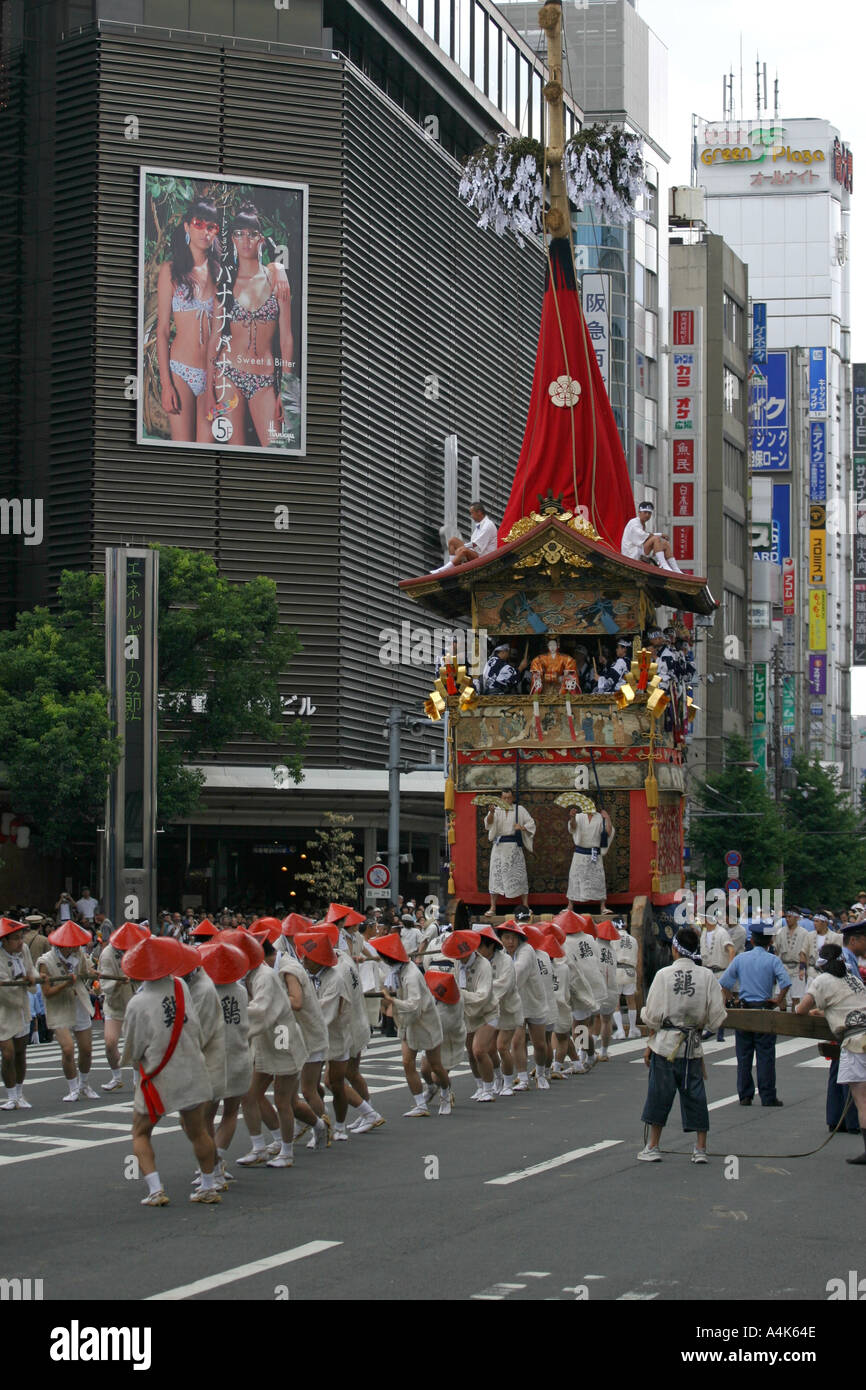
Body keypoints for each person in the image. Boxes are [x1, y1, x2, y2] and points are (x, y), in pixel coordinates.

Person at [120, 934, 220, 1206]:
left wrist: (129, 1062)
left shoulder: (138, 1003)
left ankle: (155, 1190)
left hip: (158, 1074)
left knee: (140, 1132)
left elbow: (133, 1045)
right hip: (190, 1066)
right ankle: (209, 1185)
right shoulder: (180, 986)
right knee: (198, 1130)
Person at [206, 202, 293, 450]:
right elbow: (214, 338)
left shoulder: (275, 276)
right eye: (239, 233)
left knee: (275, 449)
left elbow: (286, 338)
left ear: (261, 240)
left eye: (252, 234)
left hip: (264, 381)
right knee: (234, 450)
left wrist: (284, 392)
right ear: (232, 239)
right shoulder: (226, 283)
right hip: (228, 373)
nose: (245, 240)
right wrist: (210, 390)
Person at [637, 927, 726, 1163]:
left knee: (659, 1094)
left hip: (665, 1044)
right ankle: (700, 1148)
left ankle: (653, 1145)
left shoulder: (664, 975)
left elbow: (653, 1016)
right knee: (695, 1094)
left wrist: (649, 1034)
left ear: (675, 949)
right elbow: (717, 1017)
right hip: (692, 1045)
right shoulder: (706, 976)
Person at [156, 196, 221, 444]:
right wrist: (166, 384)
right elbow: (162, 331)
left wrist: (279, 269)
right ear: (186, 226)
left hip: (212, 376)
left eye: (211, 226)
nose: (205, 231)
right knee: (183, 452)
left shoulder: (219, 272)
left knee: (208, 453)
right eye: (198, 223)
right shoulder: (170, 271)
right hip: (180, 371)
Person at [796, 943, 866, 1165]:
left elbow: (801, 1009)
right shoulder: (854, 978)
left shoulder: (822, 980)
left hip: (855, 1040)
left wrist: (817, 1009)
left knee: (862, 1100)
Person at [196, 938, 253, 1188]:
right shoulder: (240, 990)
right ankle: (216, 1162)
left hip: (212, 1058)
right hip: (239, 1053)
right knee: (230, 1112)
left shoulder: (203, 991)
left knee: (206, 1115)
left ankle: (210, 1166)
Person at [374, 933, 450, 1116]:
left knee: (435, 1065)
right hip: (408, 1022)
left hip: (426, 1022)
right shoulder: (396, 972)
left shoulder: (411, 974)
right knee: (407, 1062)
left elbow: (414, 1004)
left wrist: (392, 1002)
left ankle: (446, 1093)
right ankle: (420, 1104)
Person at [718, 919, 790, 1107]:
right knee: (765, 1054)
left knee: (743, 1054)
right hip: (764, 1009)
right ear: (770, 942)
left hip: (744, 1009)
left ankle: (745, 1095)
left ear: (752, 940)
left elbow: (724, 983)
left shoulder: (741, 958)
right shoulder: (773, 960)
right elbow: (786, 982)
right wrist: (778, 999)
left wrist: (732, 1000)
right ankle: (767, 1096)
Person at [38, 922, 99, 1102]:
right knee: (68, 1048)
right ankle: (72, 1087)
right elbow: (47, 992)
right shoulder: (45, 961)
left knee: (86, 1049)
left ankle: (84, 1084)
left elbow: (87, 970)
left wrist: (94, 973)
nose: (75, 946)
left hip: (78, 1002)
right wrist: (66, 984)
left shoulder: (79, 955)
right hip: (59, 1006)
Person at [98, 922, 149, 1091]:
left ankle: (136, 1079)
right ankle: (116, 1077)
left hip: (135, 1001)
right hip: (115, 1003)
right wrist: (120, 981)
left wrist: (135, 976)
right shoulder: (108, 954)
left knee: (135, 1043)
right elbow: (105, 983)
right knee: (110, 1043)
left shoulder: (139, 950)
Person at [0, 917, 37, 1110]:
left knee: (21, 1052)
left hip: (22, 1007)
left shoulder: (24, 951)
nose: (20, 942)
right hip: (3, 1010)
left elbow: (32, 972)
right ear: (4, 940)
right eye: (15, 938)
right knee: (8, 1053)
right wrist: (21, 981)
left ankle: (20, 1092)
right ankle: (11, 1095)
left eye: (21, 937)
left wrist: (33, 979)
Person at [484, 789, 535, 917]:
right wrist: (491, 813)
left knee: (520, 875)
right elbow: (488, 824)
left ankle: (526, 906)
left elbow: (531, 823)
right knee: (496, 876)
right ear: (501, 798)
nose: (507, 800)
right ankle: (493, 907)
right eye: (504, 797)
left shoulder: (519, 809)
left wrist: (521, 827)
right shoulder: (496, 810)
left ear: (512, 798)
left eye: (509, 797)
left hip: (513, 847)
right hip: (499, 847)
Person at [566, 798, 614, 911]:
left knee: (598, 878)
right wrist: (572, 817)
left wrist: (607, 818)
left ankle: (602, 906)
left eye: (591, 804)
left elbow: (608, 832)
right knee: (574, 877)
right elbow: (572, 828)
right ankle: (570, 905)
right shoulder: (579, 816)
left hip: (594, 853)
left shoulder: (599, 817)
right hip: (580, 853)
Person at [620, 501, 682, 573]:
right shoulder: (634, 522)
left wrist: (660, 534)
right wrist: (660, 535)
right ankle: (663, 565)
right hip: (631, 554)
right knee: (656, 539)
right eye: (645, 512)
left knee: (665, 543)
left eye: (649, 513)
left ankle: (676, 569)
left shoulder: (641, 524)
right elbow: (643, 535)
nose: (647, 515)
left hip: (639, 550)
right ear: (639, 512)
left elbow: (646, 535)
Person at [774, 907, 812, 1010]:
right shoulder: (780, 931)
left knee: (796, 996)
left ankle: (794, 1018)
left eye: (790, 917)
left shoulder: (804, 933)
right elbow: (776, 950)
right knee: (780, 995)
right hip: (783, 965)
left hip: (797, 966)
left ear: (797, 918)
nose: (787, 919)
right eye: (786, 917)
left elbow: (805, 953)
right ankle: (782, 1015)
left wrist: (803, 968)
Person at [612, 919, 640, 1039]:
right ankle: (632, 1029)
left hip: (617, 971)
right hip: (630, 971)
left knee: (616, 1002)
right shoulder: (633, 940)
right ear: (625, 925)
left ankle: (620, 1030)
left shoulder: (613, 939)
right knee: (631, 1001)